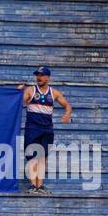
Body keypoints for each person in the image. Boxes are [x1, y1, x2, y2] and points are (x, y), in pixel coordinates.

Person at [19, 65, 72, 193]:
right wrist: (19, 92)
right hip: (32, 128)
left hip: (47, 129)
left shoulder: (54, 93)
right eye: (37, 75)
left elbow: (67, 105)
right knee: (32, 157)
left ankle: (39, 186)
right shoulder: (31, 90)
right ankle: (33, 185)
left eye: (41, 75)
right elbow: (20, 103)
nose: (39, 77)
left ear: (48, 78)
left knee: (43, 157)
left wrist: (67, 114)